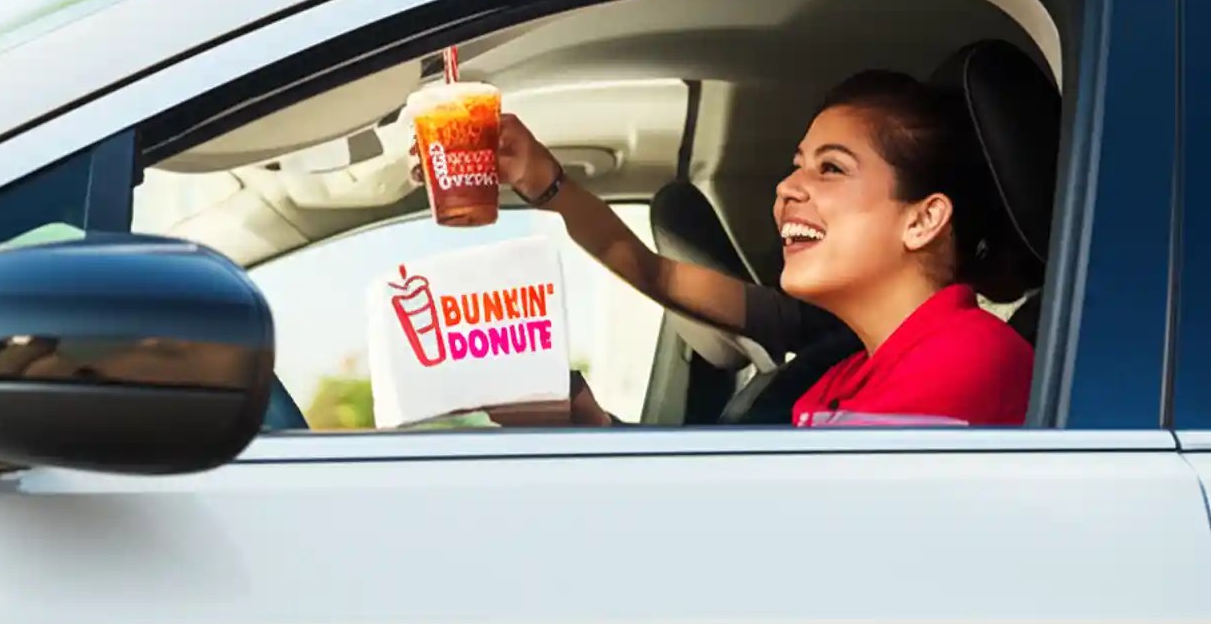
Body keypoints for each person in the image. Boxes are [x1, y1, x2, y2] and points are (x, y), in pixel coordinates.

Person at [411, 70, 1034, 427]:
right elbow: (652, 271)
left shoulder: (970, 358)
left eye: (831, 169)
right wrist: (584, 421)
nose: (787, 188)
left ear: (923, 219)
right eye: (797, 165)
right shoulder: (840, 373)